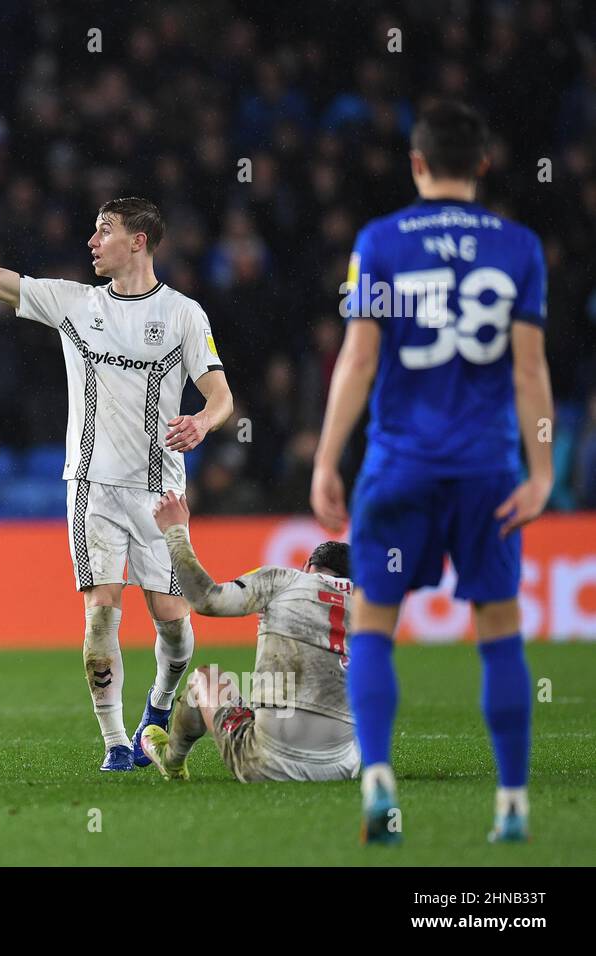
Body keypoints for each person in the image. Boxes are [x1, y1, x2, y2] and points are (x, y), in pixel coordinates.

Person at [0, 165, 233, 771]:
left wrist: (203, 421)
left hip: (159, 489)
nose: (92, 242)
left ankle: (159, 700)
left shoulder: (183, 315)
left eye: (104, 232)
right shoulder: (75, 304)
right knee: (100, 616)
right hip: (91, 487)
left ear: (138, 241)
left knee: (173, 626)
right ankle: (116, 744)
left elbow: (221, 393)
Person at [311, 101, 552, 844]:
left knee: (377, 625)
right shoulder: (519, 247)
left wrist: (326, 458)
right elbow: (530, 368)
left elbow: (358, 356)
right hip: (486, 471)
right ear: (481, 164)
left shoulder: (380, 241)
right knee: (500, 630)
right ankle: (511, 803)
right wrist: (542, 472)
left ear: (417, 164)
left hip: (398, 468)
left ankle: (378, 781)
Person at [141, 491, 358, 783]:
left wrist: (175, 531)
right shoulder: (368, 604)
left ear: (307, 568)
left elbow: (206, 600)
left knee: (205, 679)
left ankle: (171, 761)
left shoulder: (286, 580)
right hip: (343, 766)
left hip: (267, 762)